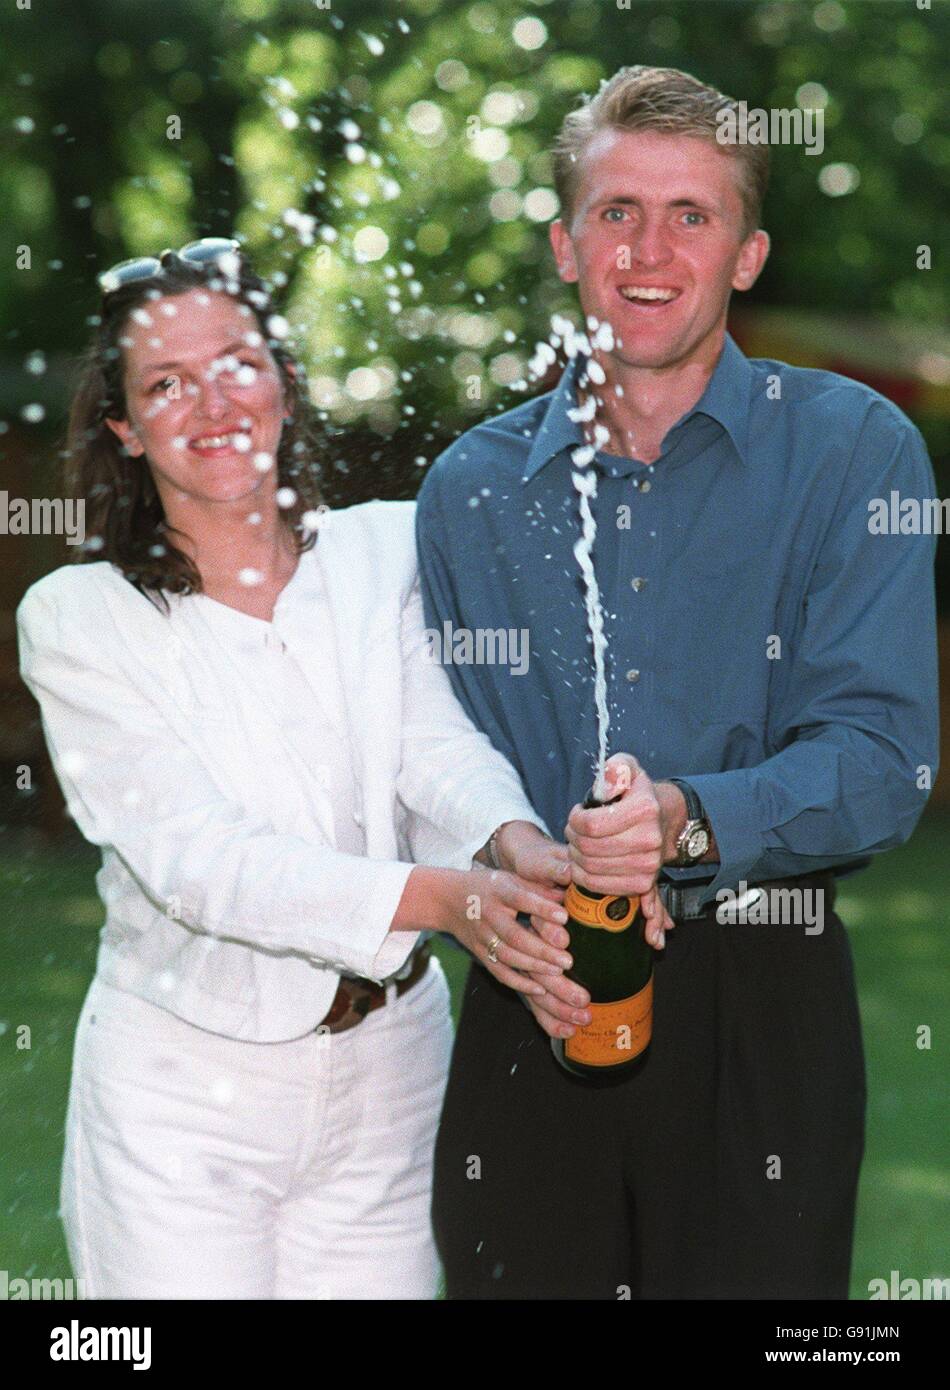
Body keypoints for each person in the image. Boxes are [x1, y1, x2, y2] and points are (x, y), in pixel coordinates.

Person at [416, 66, 939, 1299]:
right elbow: (427, 751)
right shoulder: (469, 490)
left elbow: (880, 763)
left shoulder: (854, 451)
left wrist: (684, 818)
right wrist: (513, 856)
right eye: (615, 212)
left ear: (745, 254)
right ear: (563, 242)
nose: (647, 250)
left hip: (764, 989)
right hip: (529, 981)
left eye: (689, 216)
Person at [16, 239, 582, 1300]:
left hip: (394, 1077)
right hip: (183, 1099)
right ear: (125, 431)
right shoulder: (77, 620)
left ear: (283, 379)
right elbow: (200, 861)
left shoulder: (390, 548)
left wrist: (514, 842)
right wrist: (443, 899)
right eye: (167, 383)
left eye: (236, 362)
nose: (213, 402)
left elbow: (436, 747)